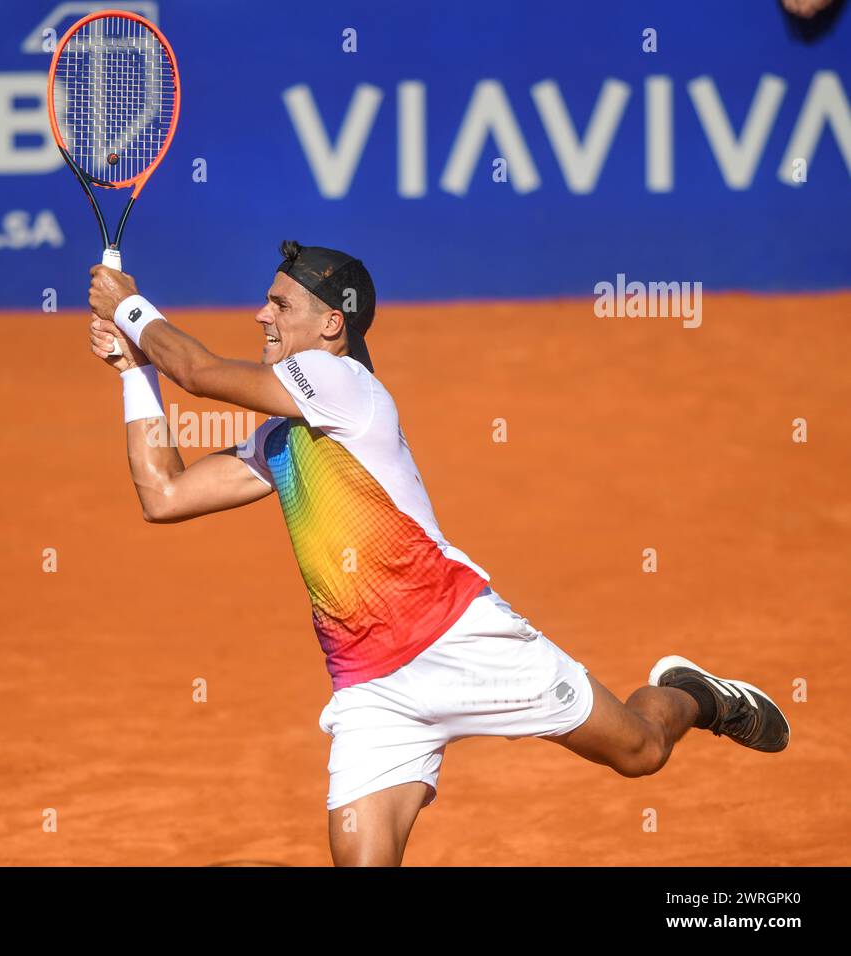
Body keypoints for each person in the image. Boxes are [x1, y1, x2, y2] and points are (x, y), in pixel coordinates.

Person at [86, 241, 790, 866]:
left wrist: (133, 310)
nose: (263, 316)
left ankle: (695, 696)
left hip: (464, 639)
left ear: (332, 323)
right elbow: (164, 495)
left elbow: (203, 373)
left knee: (639, 751)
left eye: (280, 303)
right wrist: (130, 370)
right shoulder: (282, 437)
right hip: (372, 688)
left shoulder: (342, 384)